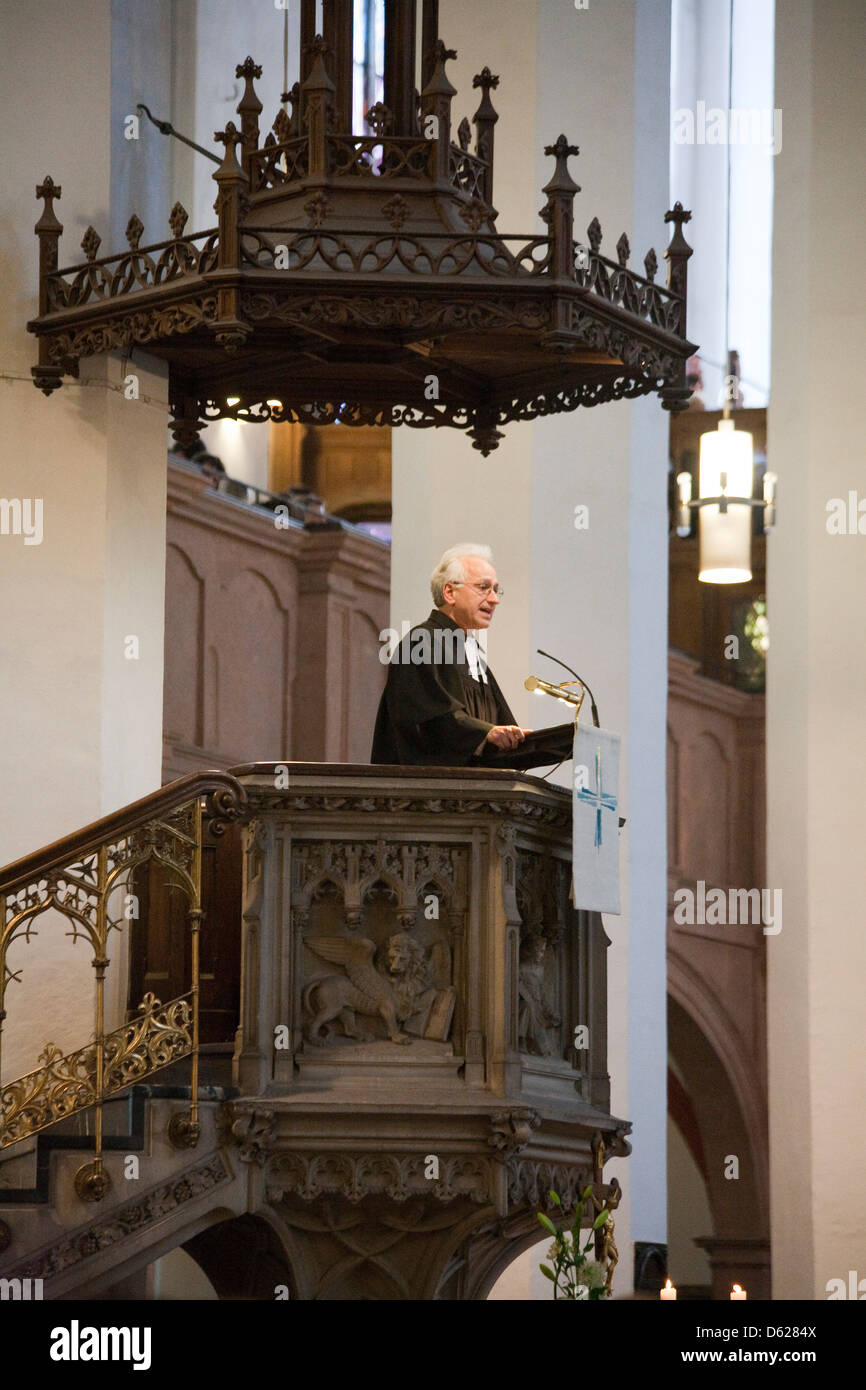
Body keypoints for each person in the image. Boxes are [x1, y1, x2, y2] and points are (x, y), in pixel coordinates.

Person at [370, 543, 574, 769]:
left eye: (496, 589)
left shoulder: (472, 651)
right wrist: (488, 733)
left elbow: (498, 725)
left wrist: (524, 742)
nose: (494, 599)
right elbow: (434, 722)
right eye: (484, 587)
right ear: (449, 592)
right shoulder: (422, 642)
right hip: (430, 793)